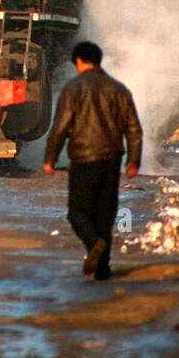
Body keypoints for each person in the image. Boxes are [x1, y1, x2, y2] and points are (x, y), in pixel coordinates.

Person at [43, 40, 142, 281]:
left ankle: (93, 242)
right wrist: (133, 161)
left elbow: (60, 128)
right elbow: (133, 129)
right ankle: (102, 268)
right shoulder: (118, 89)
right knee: (104, 214)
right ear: (99, 60)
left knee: (78, 212)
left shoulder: (73, 88)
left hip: (83, 158)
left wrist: (50, 158)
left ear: (78, 61)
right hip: (111, 159)